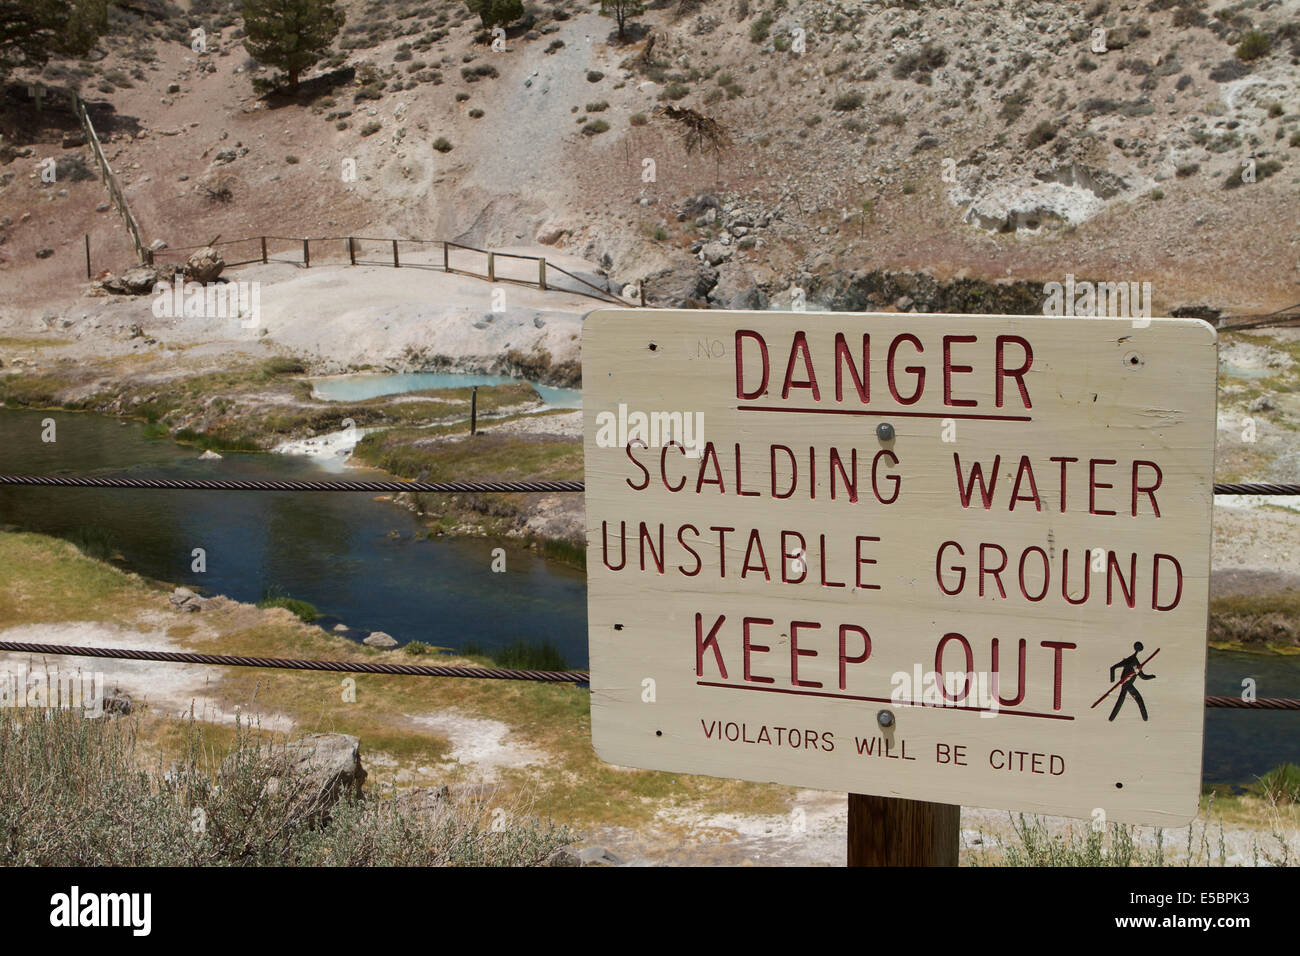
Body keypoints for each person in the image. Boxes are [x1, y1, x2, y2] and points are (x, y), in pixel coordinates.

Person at [1108, 641, 1155, 721]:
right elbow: (1113, 668)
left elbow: (1143, 676)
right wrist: (1113, 680)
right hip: (1127, 683)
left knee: (1121, 699)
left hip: (1127, 683)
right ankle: (1145, 717)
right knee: (1138, 699)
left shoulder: (1136, 663)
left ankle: (1111, 718)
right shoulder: (1129, 660)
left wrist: (1151, 676)